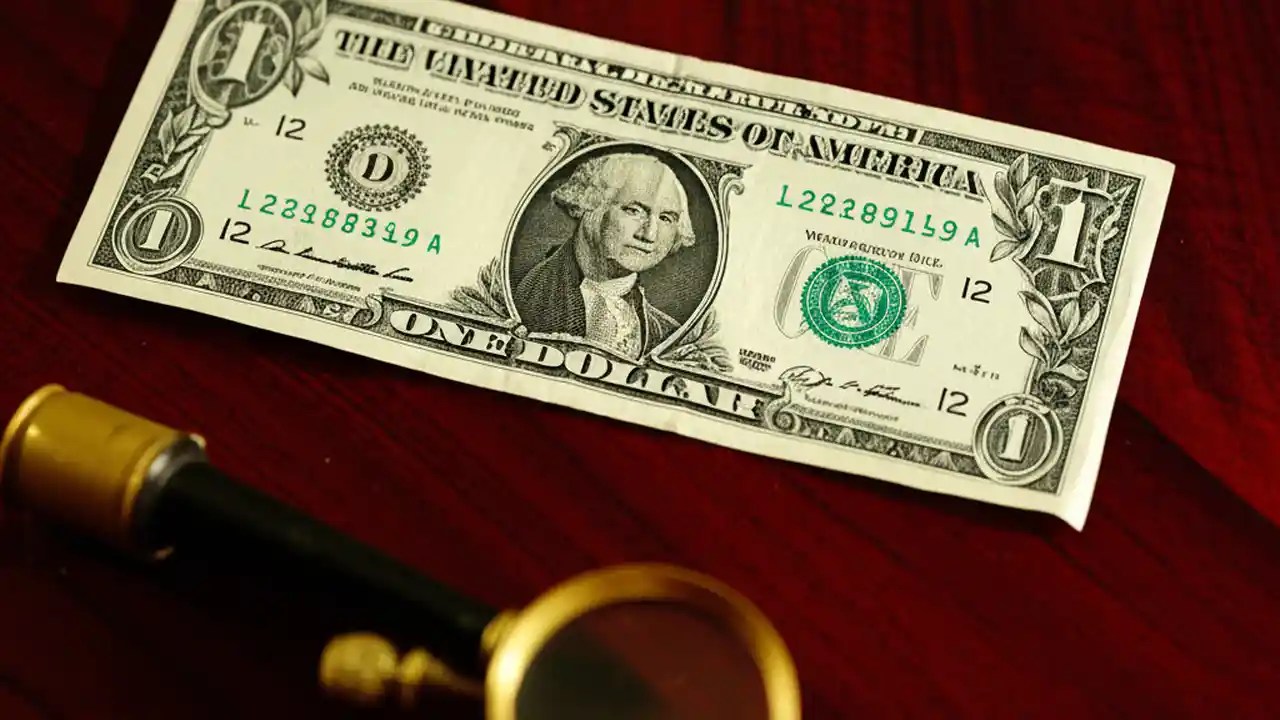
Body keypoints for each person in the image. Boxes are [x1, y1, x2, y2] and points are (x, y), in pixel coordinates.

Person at [513, 152, 696, 359]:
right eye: (634, 210)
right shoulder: (523, 293)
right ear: (590, 204)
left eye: (665, 218)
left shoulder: (668, 334)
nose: (649, 234)